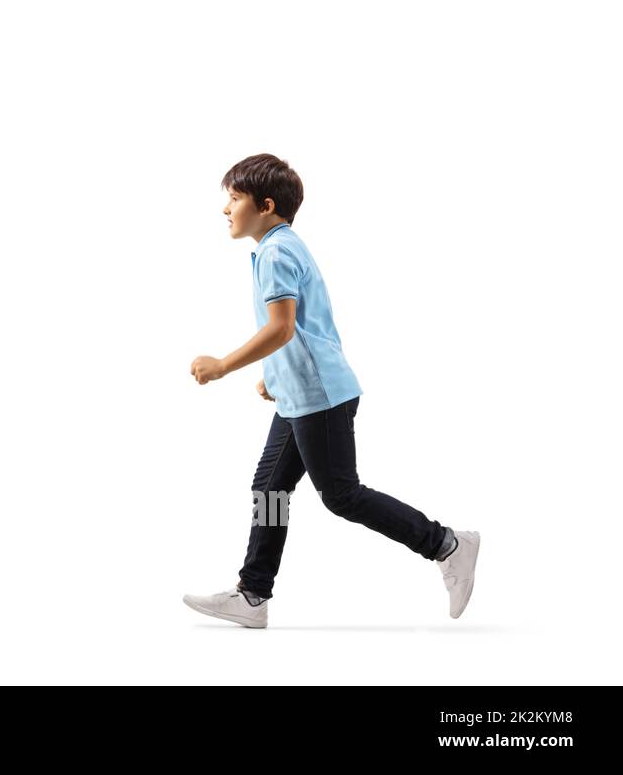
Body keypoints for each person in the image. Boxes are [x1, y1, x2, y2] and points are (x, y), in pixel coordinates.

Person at [181, 153, 477, 628]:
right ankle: (254, 593)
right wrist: (275, 375)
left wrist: (223, 365)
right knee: (270, 488)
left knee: (341, 495)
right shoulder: (280, 246)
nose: (226, 209)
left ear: (267, 205)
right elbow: (305, 328)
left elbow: (281, 328)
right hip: (301, 394)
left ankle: (447, 543)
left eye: (234, 198)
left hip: (319, 399)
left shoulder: (277, 252)